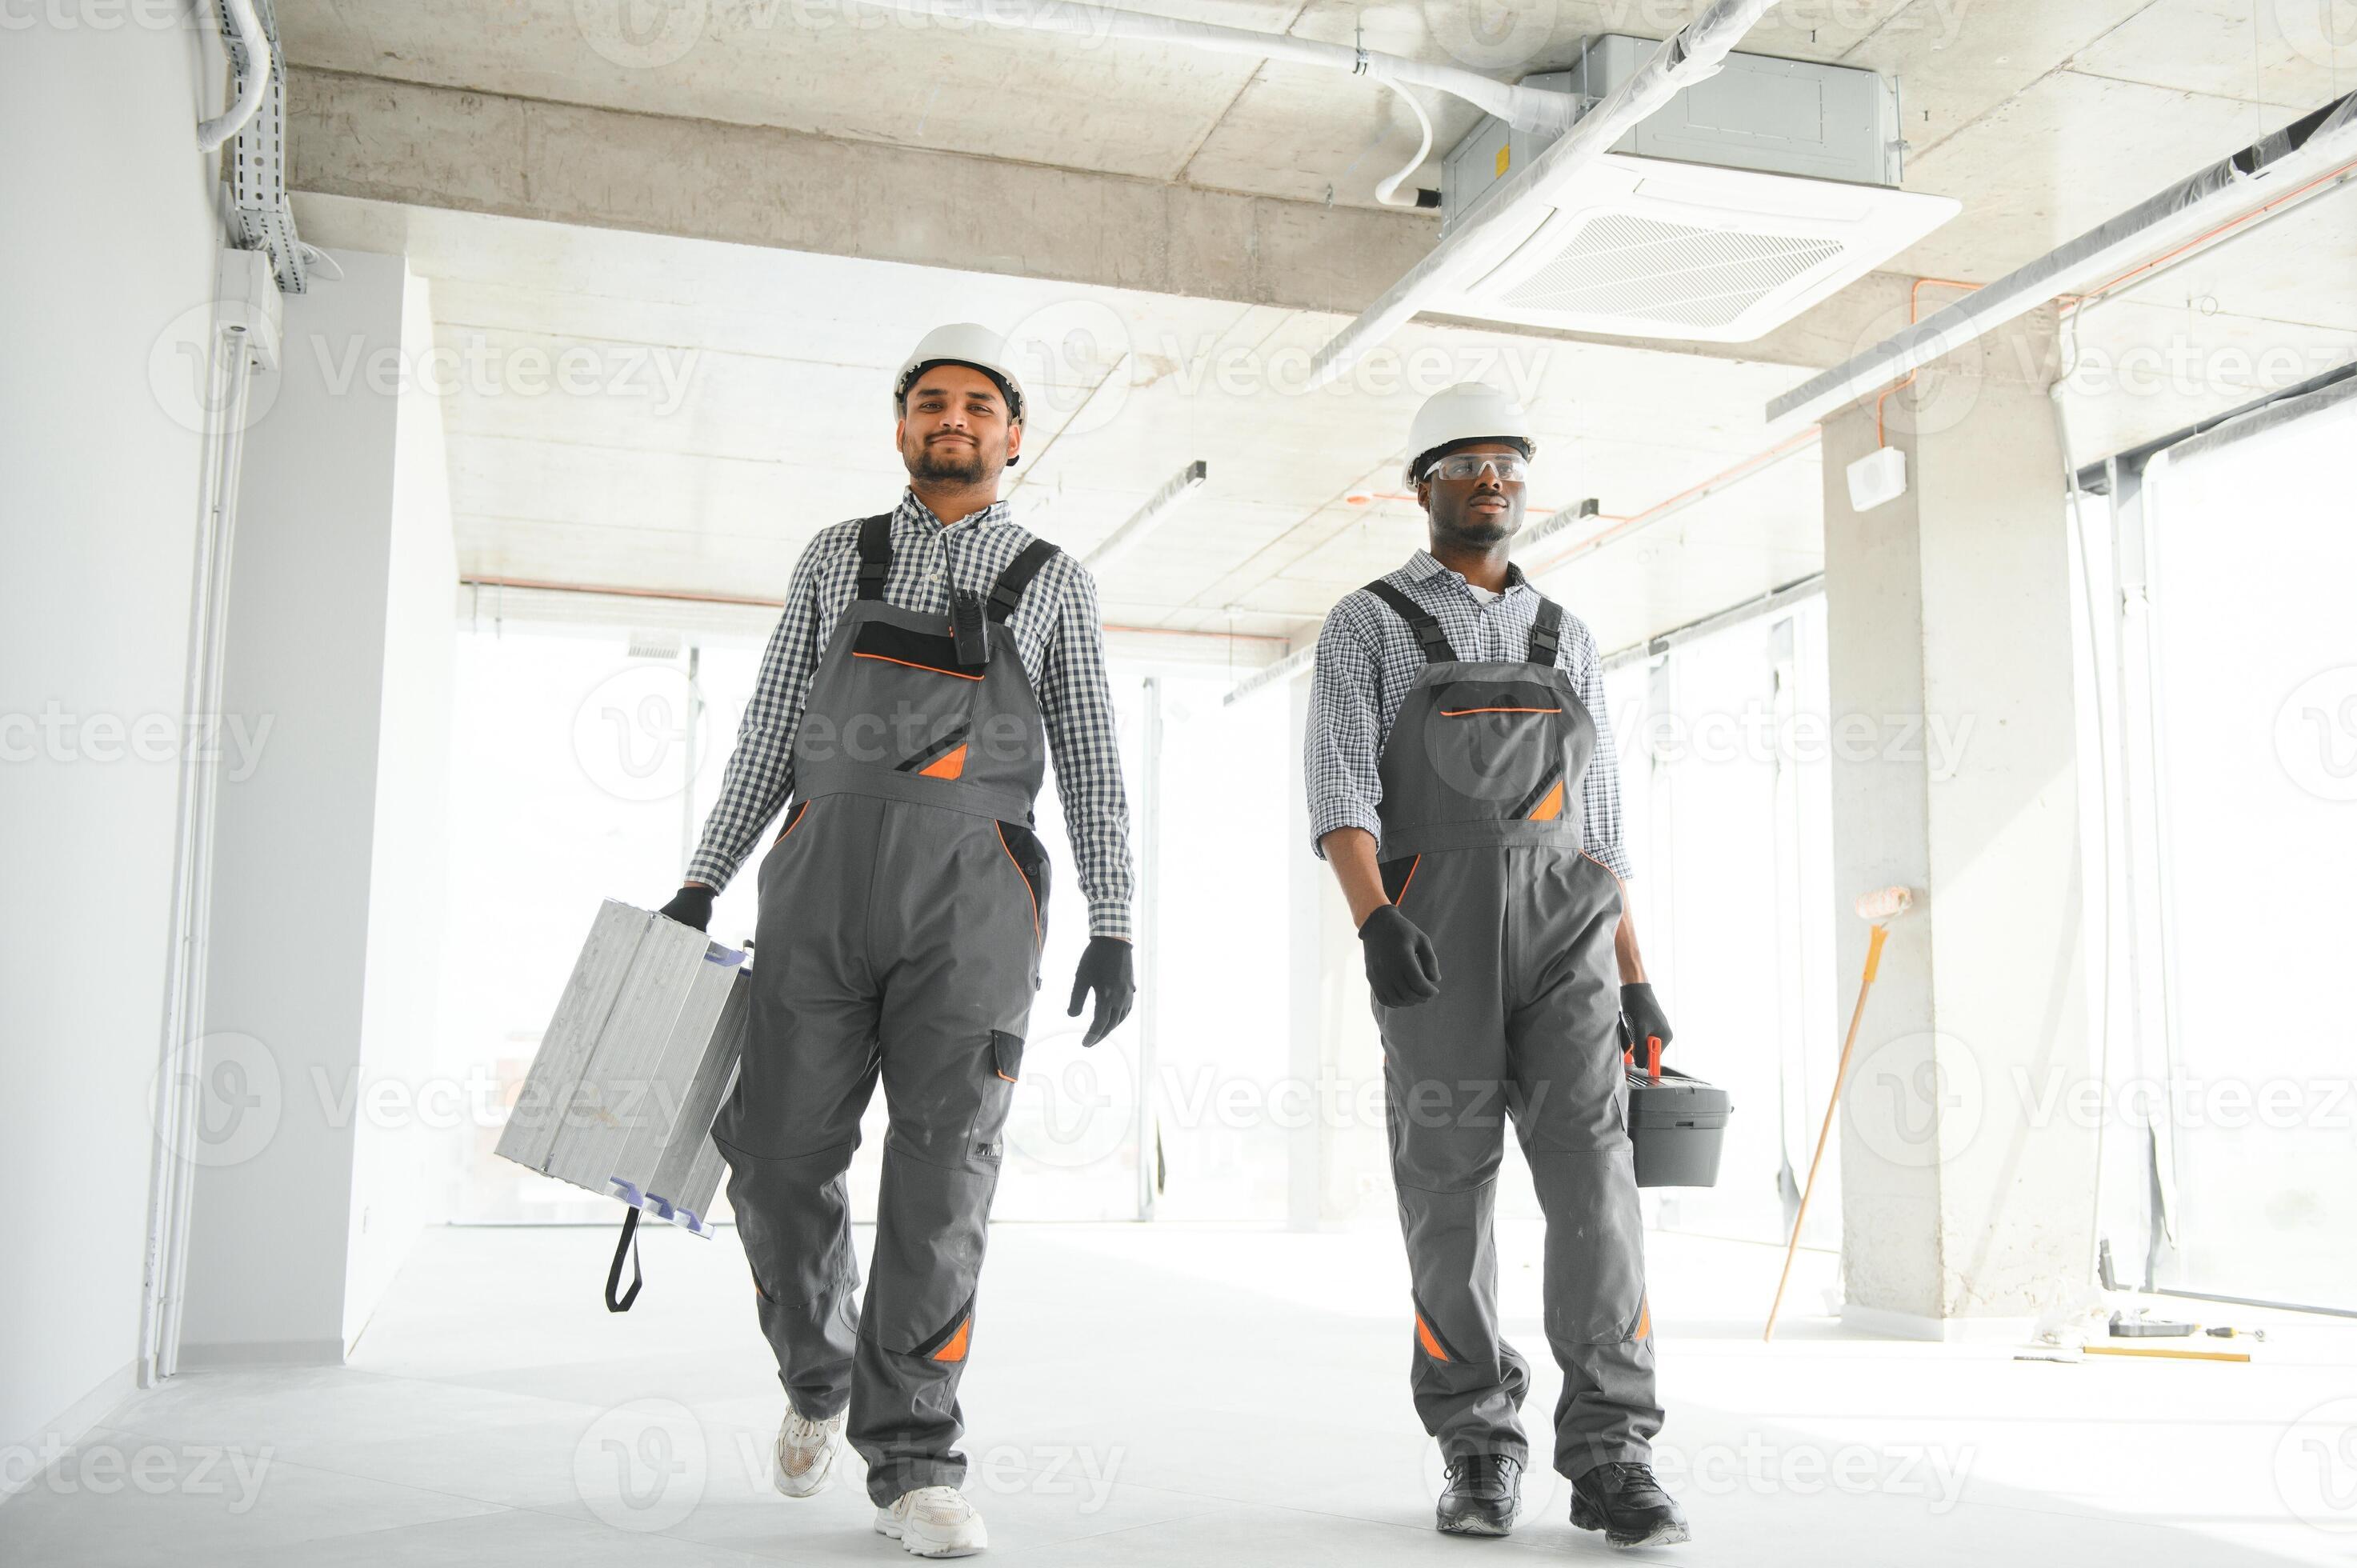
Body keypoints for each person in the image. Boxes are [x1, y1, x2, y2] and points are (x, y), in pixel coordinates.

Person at [653, 323, 1136, 1559]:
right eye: (931, 401)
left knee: (941, 1177)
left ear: (1013, 435)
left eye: (979, 405)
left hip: (976, 904)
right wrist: (702, 881)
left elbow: (1088, 759)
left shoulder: (1050, 580)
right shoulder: (836, 557)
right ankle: (820, 1379)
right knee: (768, 1152)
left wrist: (1115, 921)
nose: (953, 420)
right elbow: (770, 723)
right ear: (901, 425)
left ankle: (916, 1457)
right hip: (814, 887)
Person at [1303, 382, 1687, 1549]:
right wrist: (1375, 920)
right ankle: (1475, 1442)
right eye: (1463, 464)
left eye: (1507, 465)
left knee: (1596, 1193)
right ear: (1421, 487)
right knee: (1446, 1199)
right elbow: (1339, 789)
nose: (1490, 481)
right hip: (1432, 935)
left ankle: (1611, 1452)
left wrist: (1635, 978)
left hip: (1570, 937)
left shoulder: (1566, 634)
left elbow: (1604, 831)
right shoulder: (1366, 621)